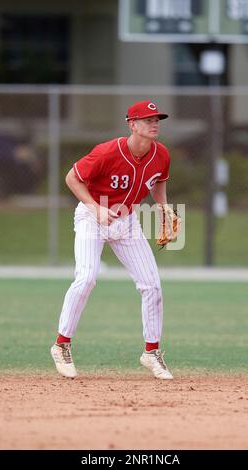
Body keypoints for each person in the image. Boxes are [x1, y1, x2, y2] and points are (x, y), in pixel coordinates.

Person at [51, 100, 174, 380]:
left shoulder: (161, 154)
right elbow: (72, 178)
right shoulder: (107, 151)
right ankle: (61, 345)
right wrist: (95, 207)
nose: (155, 124)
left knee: (152, 285)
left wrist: (163, 207)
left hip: (127, 221)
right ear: (132, 125)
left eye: (157, 119)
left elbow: (159, 180)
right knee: (87, 277)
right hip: (92, 217)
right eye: (148, 120)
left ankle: (151, 353)